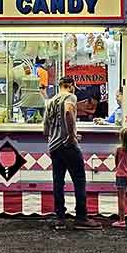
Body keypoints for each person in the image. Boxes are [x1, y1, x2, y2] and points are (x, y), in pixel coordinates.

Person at [43, 76, 101, 230]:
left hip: (54, 146)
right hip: (68, 145)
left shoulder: (50, 101)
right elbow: (68, 112)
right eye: (74, 87)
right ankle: (81, 217)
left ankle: (60, 218)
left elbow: (46, 128)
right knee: (79, 180)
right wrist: (70, 136)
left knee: (58, 182)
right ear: (70, 86)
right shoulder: (70, 97)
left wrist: (70, 133)